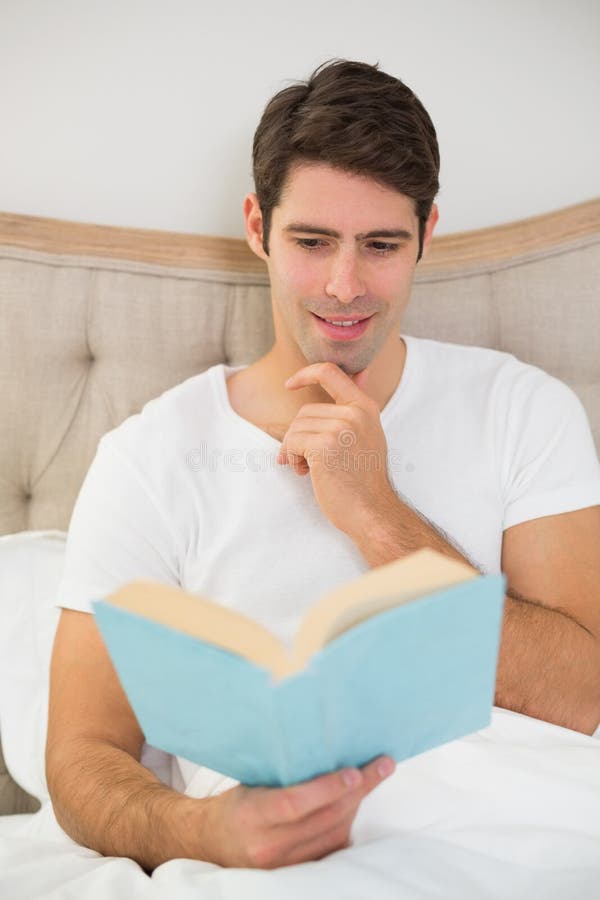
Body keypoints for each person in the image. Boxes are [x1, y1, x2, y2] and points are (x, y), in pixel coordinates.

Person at [46, 58, 600, 873]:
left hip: (528, 838)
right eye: (312, 242)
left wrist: (378, 516)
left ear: (427, 235)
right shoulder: (149, 457)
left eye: (381, 245)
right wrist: (205, 833)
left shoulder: (522, 409)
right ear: (257, 227)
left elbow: (582, 694)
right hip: (290, 865)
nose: (345, 286)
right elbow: (80, 756)